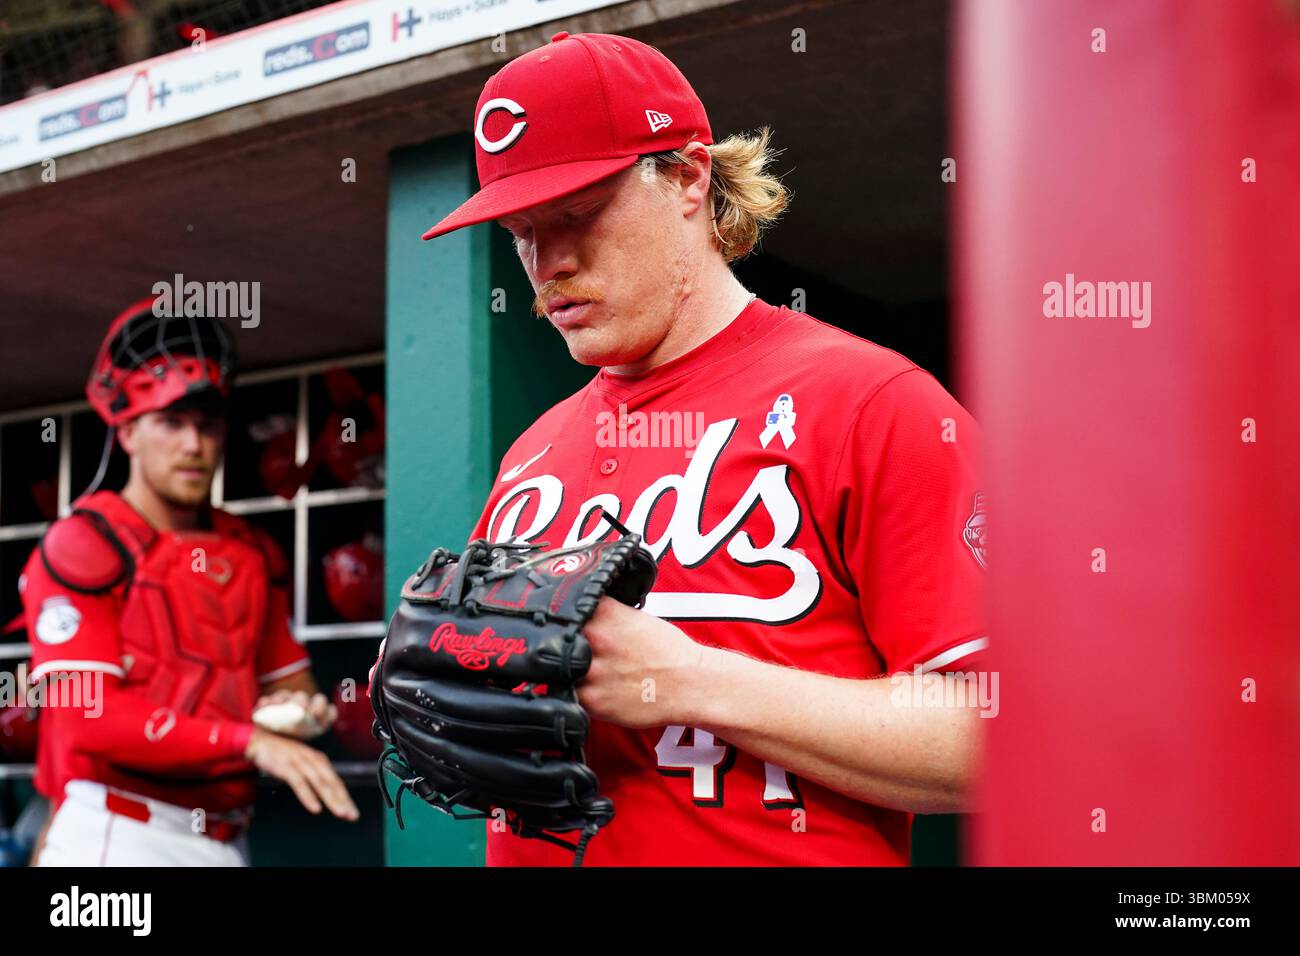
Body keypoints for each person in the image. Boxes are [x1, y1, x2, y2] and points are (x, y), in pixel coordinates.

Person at [415, 31, 988, 865]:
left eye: (576, 212)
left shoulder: (872, 404)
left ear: (687, 176)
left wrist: (686, 681)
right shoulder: (532, 456)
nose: (548, 261)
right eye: (519, 229)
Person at [21, 297, 358, 866]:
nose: (191, 444)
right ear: (127, 432)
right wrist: (249, 740)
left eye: (206, 425)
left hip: (225, 836)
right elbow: (89, 720)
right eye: (170, 423)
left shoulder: (249, 552)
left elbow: (289, 681)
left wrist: (303, 710)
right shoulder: (84, 543)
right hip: (119, 831)